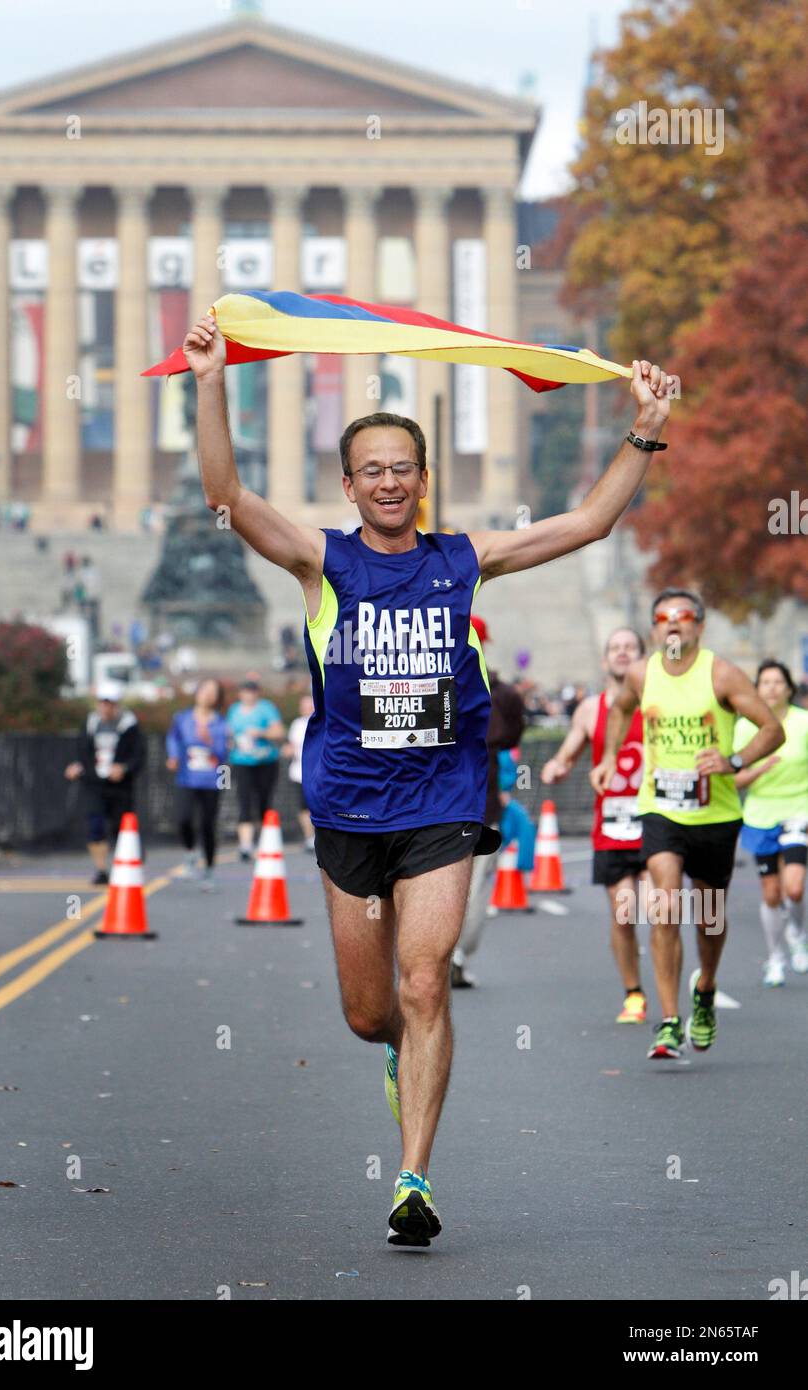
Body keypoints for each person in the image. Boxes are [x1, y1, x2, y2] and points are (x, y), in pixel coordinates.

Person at [187, 306, 674, 1245]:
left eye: (402, 469)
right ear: (349, 483)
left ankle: (413, 1177)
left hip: (442, 805)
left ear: (422, 480)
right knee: (371, 1015)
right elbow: (230, 499)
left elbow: (588, 522)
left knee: (425, 983)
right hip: (348, 809)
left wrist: (645, 423)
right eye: (371, 469)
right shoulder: (322, 564)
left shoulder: (463, 560)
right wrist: (212, 380)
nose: (388, 482)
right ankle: (393, 1058)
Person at [591, 589, 785, 1060]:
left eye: (683, 617)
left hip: (715, 814)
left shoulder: (721, 673)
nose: (673, 625)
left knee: (709, 918)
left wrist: (732, 759)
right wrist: (612, 757)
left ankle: (706, 990)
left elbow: (771, 729)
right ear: (655, 627)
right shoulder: (642, 673)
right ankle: (669, 1021)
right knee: (665, 905)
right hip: (660, 810)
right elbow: (618, 708)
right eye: (663, 618)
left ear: (699, 625)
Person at [542, 628, 648, 1023]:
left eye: (630, 647)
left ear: (642, 657)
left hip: (655, 819)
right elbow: (567, 753)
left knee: (663, 909)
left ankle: (680, 986)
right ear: (605, 661)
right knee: (623, 913)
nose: (622, 653)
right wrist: (556, 766)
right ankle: (634, 994)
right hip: (613, 826)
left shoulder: (655, 702)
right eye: (615, 648)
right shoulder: (591, 709)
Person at [450, 615, 526, 988]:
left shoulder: (431, 683)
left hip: (430, 802)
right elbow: (512, 738)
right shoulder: (505, 695)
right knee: (476, 886)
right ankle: (458, 955)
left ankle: (432, 955)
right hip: (482, 802)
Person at [732, 660, 808, 985]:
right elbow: (733, 780)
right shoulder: (746, 728)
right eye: (765, 682)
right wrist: (758, 770)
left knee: (794, 885)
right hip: (761, 815)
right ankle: (775, 958)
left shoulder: (804, 723)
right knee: (772, 892)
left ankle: (798, 933)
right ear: (757, 689)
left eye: (779, 682)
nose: (773, 688)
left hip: (798, 810)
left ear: (789, 688)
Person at [64, 680, 145, 884]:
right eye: (103, 702)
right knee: (95, 825)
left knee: (120, 826)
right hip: (95, 783)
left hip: (120, 786)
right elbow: (82, 751)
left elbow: (139, 755)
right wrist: (77, 766)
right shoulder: (91, 723)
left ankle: (126, 862)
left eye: (110, 702)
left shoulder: (130, 725)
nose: (106, 707)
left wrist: (124, 768)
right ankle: (101, 869)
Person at [166, 678, 229, 889]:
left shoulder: (220, 723)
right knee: (183, 818)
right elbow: (173, 738)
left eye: (213, 692)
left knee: (207, 825)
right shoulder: (182, 718)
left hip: (211, 780)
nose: (208, 695)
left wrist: (210, 741)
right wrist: (173, 756)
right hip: (187, 777)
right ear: (198, 692)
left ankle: (209, 870)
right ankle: (190, 853)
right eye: (205, 690)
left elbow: (223, 754)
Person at [226, 675, 285, 860]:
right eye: (245, 691)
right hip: (242, 762)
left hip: (265, 762)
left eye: (252, 691)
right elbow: (228, 734)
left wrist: (260, 732)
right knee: (243, 801)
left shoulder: (266, 708)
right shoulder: (234, 710)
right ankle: (245, 845)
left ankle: (266, 841)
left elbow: (279, 732)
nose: (248, 695)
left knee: (264, 802)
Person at [283, 693, 316, 852]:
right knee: (303, 807)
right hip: (299, 773)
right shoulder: (297, 724)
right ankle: (310, 837)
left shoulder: (321, 723)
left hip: (318, 772)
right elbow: (291, 746)